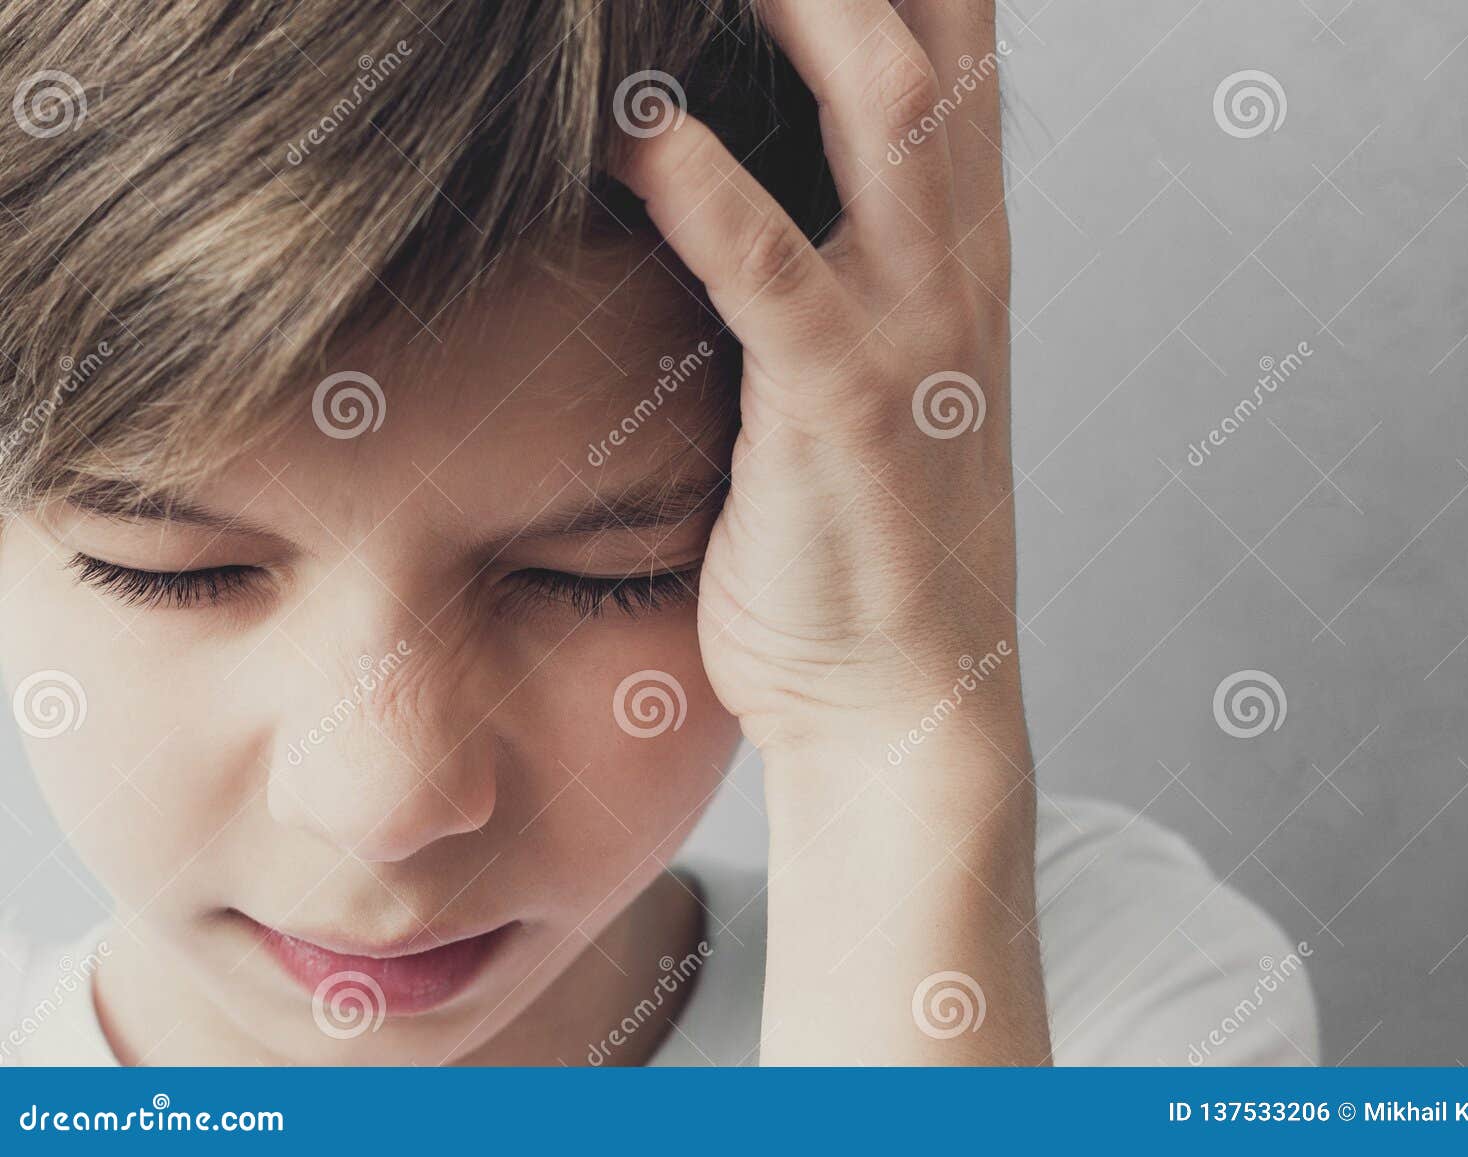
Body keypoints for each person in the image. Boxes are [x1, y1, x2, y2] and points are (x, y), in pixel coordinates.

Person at [0, 0, 1316, 1066]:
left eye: (598, 577)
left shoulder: (1097, 994)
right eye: (173, 573)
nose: (387, 806)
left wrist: (890, 729)